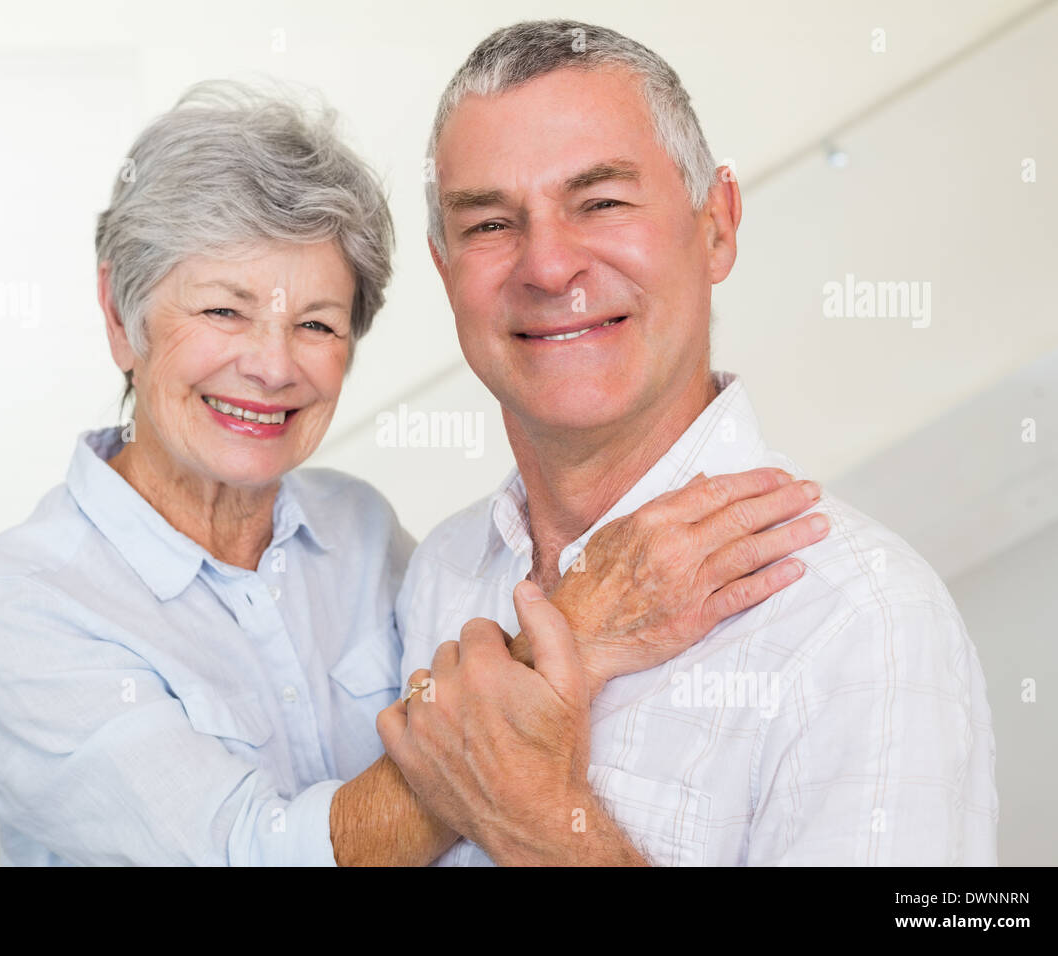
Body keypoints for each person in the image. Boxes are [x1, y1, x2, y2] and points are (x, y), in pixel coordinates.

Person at [0, 79, 827, 866]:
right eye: (223, 309)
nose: (272, 367)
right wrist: (579, 634)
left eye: (318, 325)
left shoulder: (362, 531)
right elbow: (253, 855)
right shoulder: (21, 607)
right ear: (121, 318)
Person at [381, 19, 998, 865]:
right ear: (446, 269)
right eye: (489, 224)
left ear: (718, 227)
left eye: (600, 202)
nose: (549, 267)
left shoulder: (862, 621)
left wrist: (540, 824)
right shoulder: (442, 574)